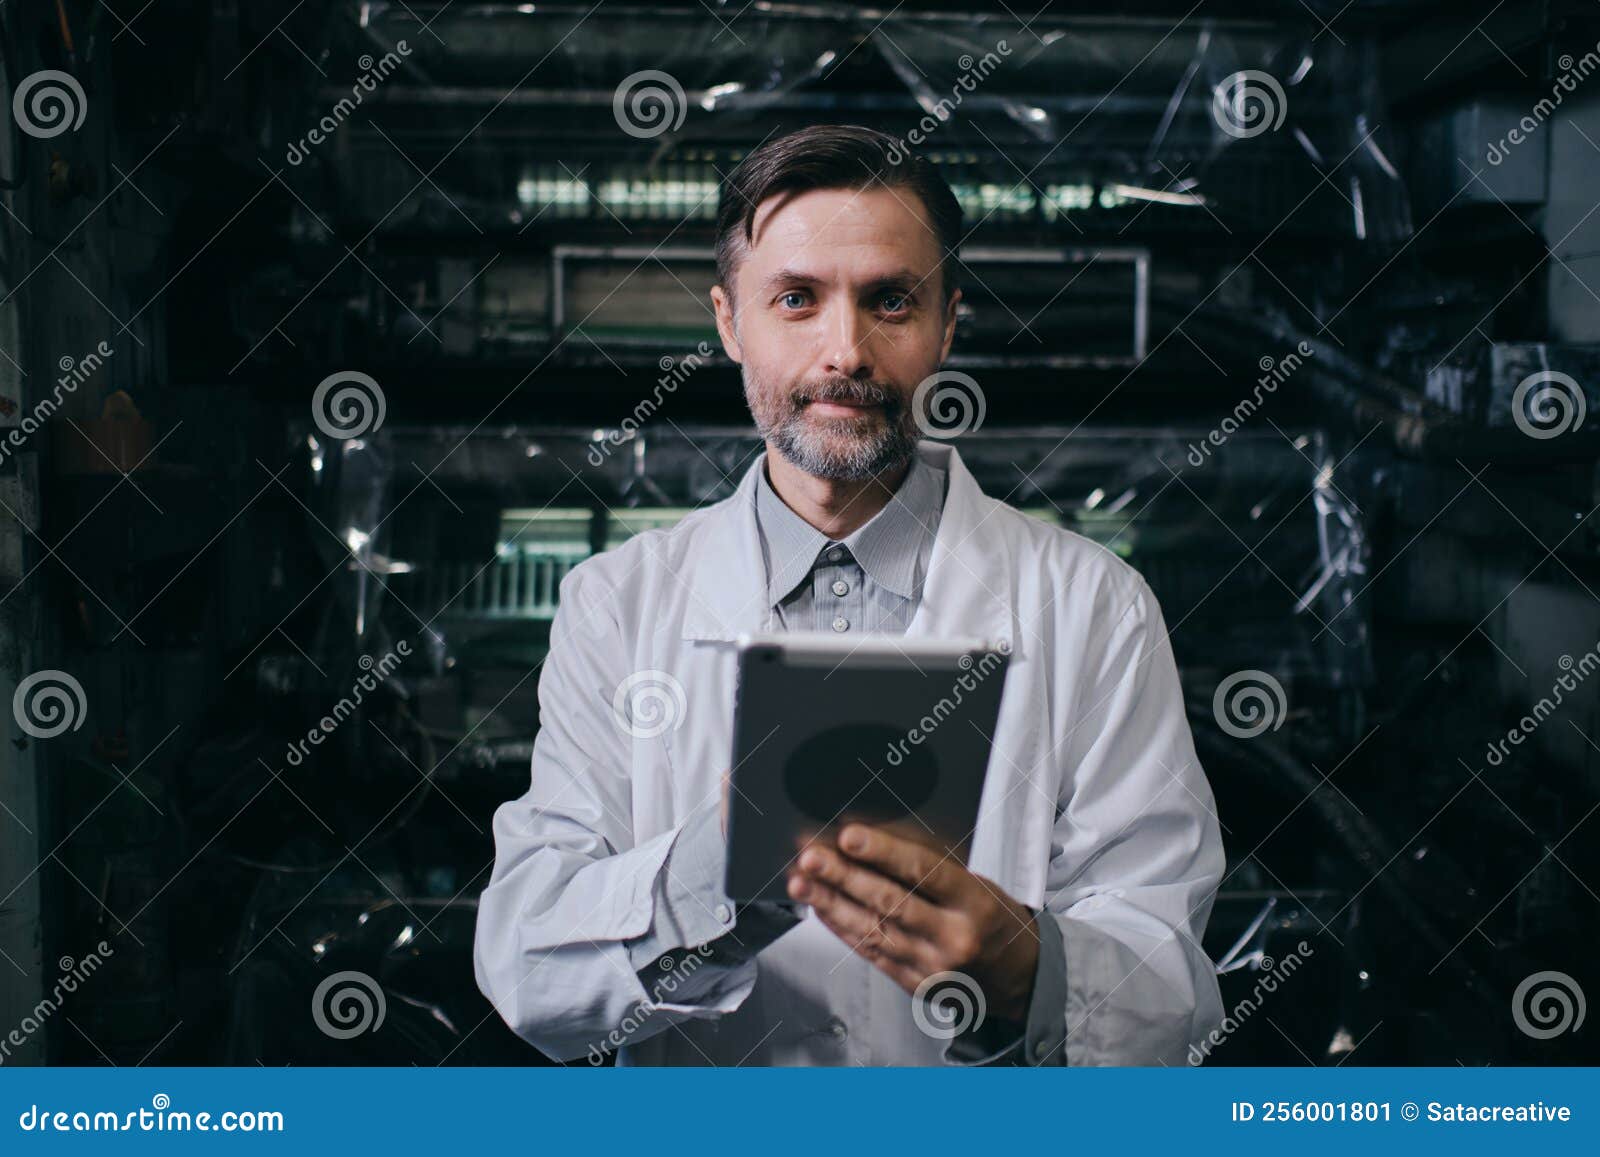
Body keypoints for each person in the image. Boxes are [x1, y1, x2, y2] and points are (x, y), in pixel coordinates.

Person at [474, 124, 1224, 1065]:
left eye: (890, 301)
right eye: (796, 299)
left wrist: (1026, 965)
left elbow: (1174, 998)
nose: (847, 351)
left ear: (947, 324)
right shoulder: (615, 605)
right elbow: (529, 969)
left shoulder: (1095, 608)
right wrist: (725, 863)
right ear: (727, 320)